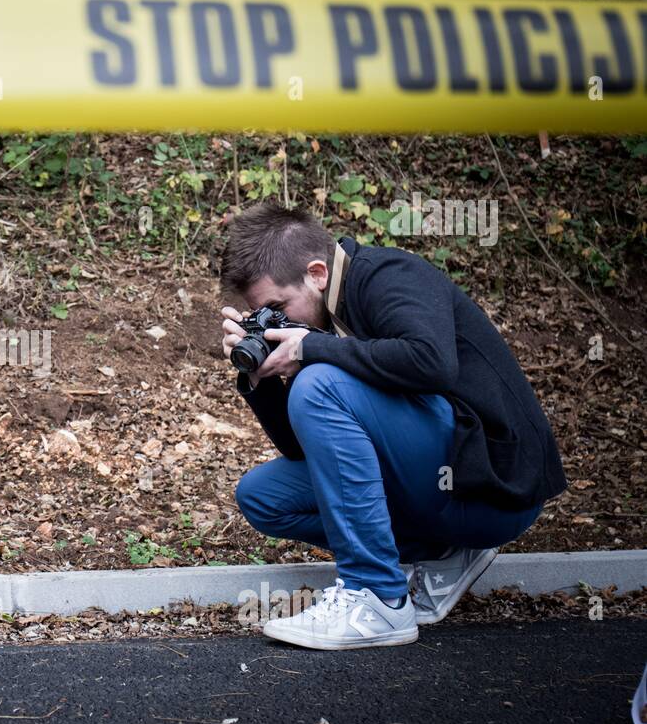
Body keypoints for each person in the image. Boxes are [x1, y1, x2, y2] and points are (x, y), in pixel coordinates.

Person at [218, 202, 566, 649]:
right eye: (263, 315)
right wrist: (259, 376)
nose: (278, 322)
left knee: (318, 384)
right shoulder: (322, 325)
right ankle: (440, 554)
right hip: (441, 485)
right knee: (264, 497)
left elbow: (432, 363)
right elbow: (305, 450)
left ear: (318, 273)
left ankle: (377, 598)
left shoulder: (388, 274)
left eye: (278, 307)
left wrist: (312, 350)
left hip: (495, 485)